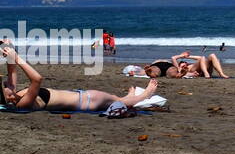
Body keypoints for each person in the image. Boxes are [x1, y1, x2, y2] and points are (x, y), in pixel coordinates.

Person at [1, 44, 159, 112]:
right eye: (5, 86)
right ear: (7, 97)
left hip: (81, 96)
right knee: (119, 102)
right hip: (86, 102)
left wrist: (9, 50)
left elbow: (12, 71)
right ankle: (144, 95)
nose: (7, 84)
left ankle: (130, 96)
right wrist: (18, 58)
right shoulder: (23, 103)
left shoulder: (15, 95)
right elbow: (37, 79)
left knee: (114, 98)